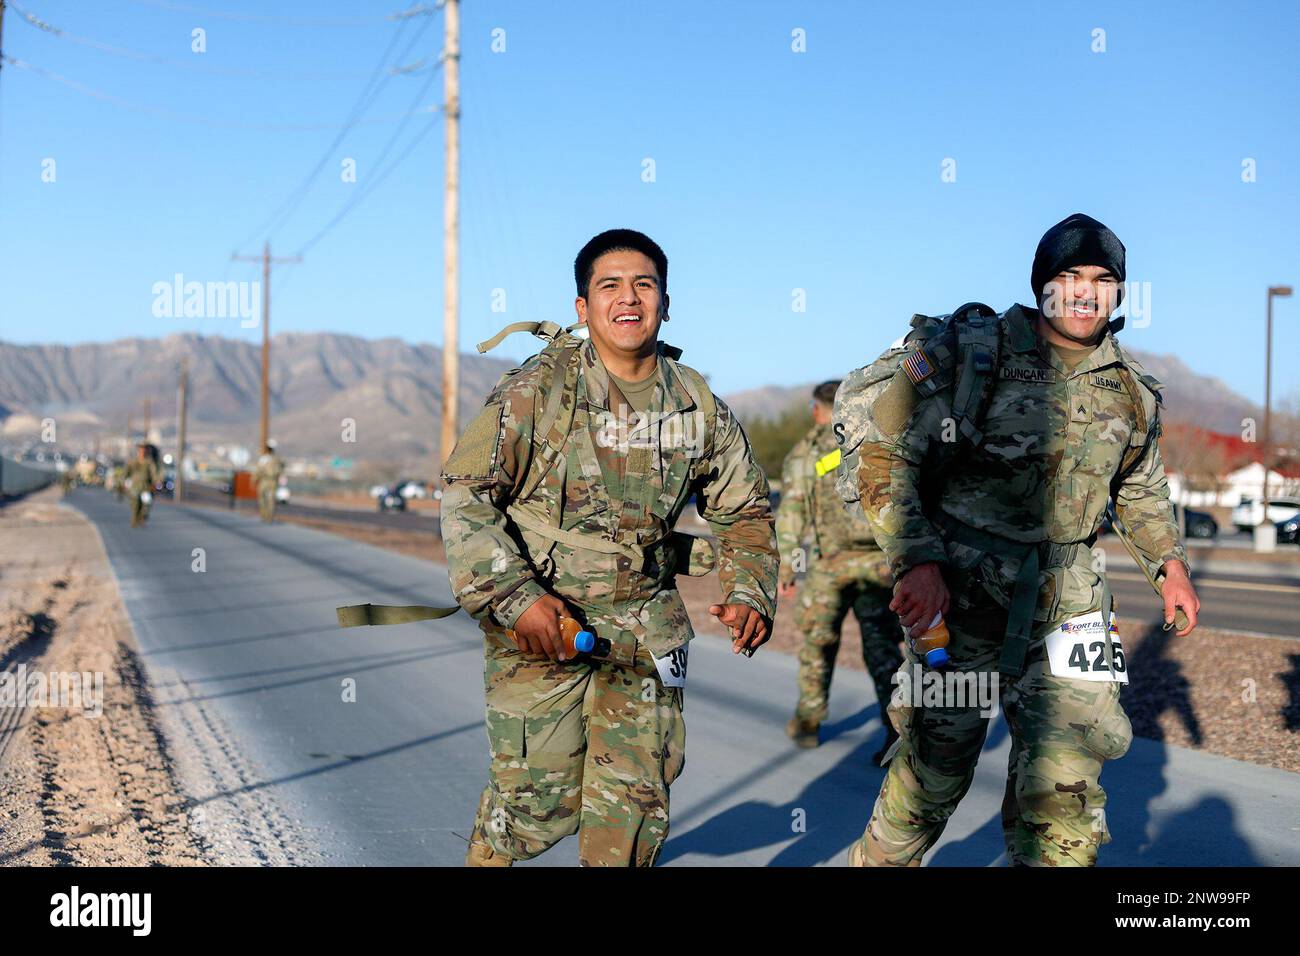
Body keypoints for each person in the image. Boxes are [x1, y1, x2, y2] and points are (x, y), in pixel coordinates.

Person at [841, 213, 1200, 867]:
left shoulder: (1130, 392)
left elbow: (1140, 488)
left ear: (1121, 293)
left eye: (1103, 279)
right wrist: (916, 560)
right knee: (934, 775)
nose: (1086, 292)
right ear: (1042, 286)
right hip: (958, 591)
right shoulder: (973, 353)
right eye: (1069, 277)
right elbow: (883, 457)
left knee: (1066, 787)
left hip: (1070, 604)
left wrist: (1168, 565)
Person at [440, 228, 779, 867]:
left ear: (666, 302)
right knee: (540, 810)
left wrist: (747, 589)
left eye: (644, 285)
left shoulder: (696, 403)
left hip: (646, 631)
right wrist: (516, 601)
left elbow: (745, 509)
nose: (629, 299)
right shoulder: (534, 392)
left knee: (629, 818)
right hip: (545, 626)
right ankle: (496, 841)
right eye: (610, 286)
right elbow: (466, 497)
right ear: (582, 307)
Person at [778, 380, 903, 763]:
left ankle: (809, 722)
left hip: (828, 565)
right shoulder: (872, 440)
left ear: (817, 410)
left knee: (819, 644)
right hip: (878, 564)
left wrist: (787, 564)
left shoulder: (807, 452)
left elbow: (792, 511)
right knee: (883, 649)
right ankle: (898, 731)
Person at [124, 442, 161, 528]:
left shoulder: (149, 462)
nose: (143, 452)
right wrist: (124, 482)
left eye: (144, 450)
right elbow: (126, 473)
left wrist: (156, 482)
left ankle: (142, 518)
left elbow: (154, 473)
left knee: (147, 503)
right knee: (135, 504)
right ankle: (135, 519)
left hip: (146, 487)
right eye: (141, 450)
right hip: (135, 486)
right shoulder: (133, 462)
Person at [254, 441, 284, 523]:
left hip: (264, 481)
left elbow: (258, 470)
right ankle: (269, 516)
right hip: (273, 481)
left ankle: (265, 515)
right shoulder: (277, 459)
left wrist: (254, 480)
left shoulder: (264, 459)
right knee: (271, 499)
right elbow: (281, 469)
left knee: (263, 498)